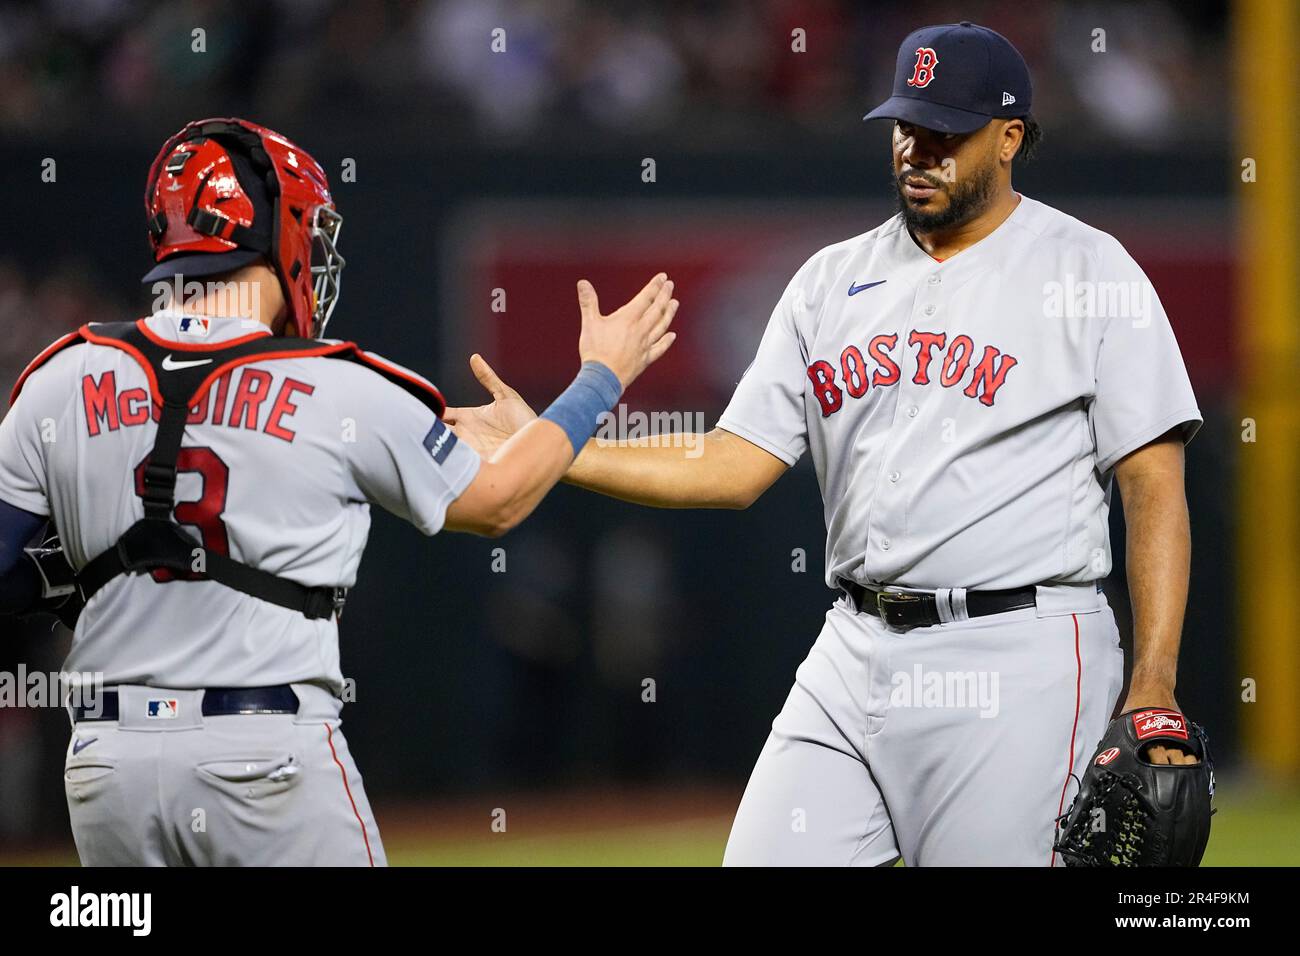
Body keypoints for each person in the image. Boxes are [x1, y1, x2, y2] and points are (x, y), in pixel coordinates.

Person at [445, 23, 1206, 866]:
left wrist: (1154, 684)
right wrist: (556, 445)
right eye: (905, 126)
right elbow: (734, 465)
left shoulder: (1089, 271)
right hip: (853, 647)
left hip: (1019, 653)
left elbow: (1153, 489)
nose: (917, 150)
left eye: (945, 132)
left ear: (1011, 136)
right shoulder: (829, 281)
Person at [0, 117, 677, 866]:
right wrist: (598, 381)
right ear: (272, 232)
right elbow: (501, 500)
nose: (319, 252)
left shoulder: (59, 376)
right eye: (310, 229)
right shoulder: (337, 382)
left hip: (106, 765)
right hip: (263, 756)